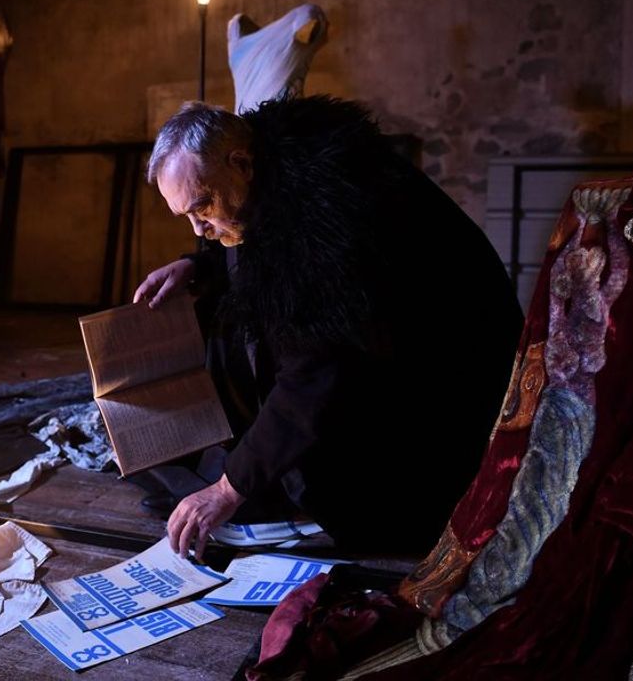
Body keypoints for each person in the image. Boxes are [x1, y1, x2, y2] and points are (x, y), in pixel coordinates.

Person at [134, 96, 523, 558]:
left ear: (240, 163)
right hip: (391, 344)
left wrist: (227, 490)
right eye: (187, 216)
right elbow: (253, 247)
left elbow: (314, 376)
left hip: (449, 378)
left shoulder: (323, 212)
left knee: (362, 507)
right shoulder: (267, 173)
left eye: (202, 207)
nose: (199, 229)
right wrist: (196, 267)